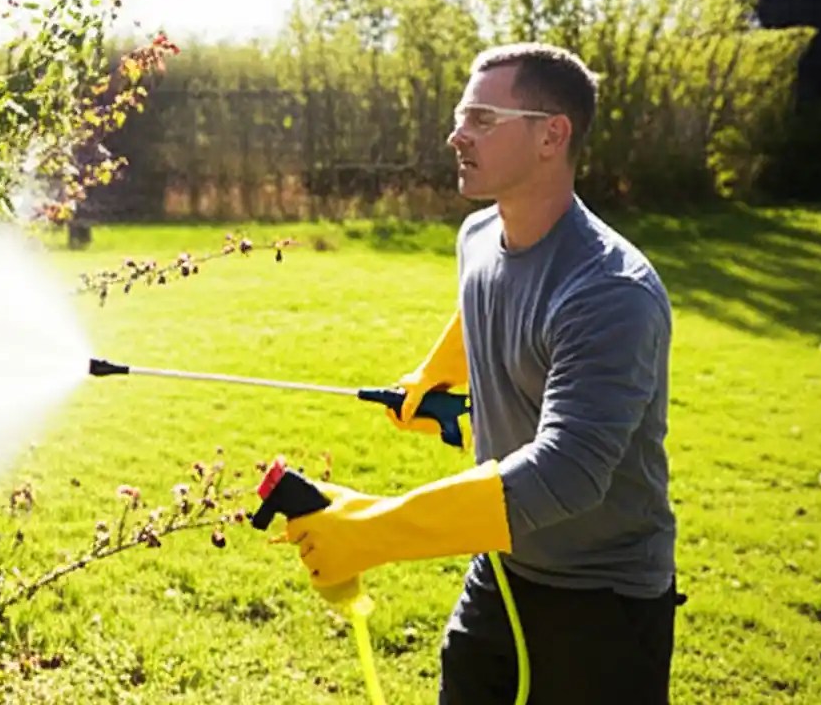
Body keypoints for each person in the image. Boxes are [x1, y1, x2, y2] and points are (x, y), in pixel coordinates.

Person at [284, 42, 680, 704]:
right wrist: (430, 374)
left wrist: (372, 531)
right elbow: (482, 302)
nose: (455, 135)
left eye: (481, 119)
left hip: (601, 603)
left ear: (552, 135)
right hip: (497, 569)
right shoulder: (477, 235)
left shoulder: (610, 292)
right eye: (460, 117)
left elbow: (568, 474)